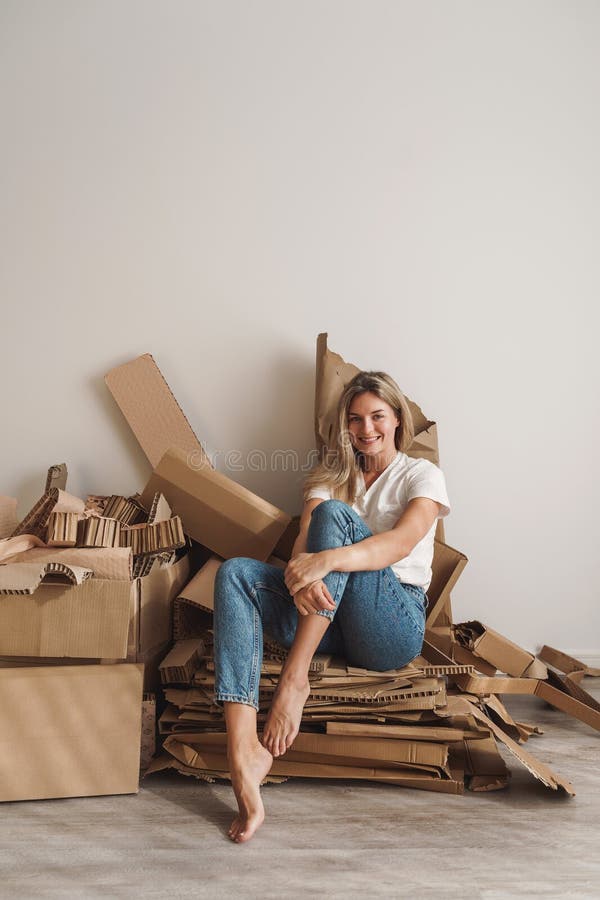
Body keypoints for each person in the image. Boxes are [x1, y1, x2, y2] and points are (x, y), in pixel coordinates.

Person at [213, 371, 450, 843]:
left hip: (390, 625)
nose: (367, 430)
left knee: (334, 516)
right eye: (356, 419)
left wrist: (323, 561)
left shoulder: (421, 474)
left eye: (378, 417)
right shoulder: (327, 476)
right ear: (344, 425)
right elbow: (301, 552)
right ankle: (244, 755)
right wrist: (306, 572)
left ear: (397, 419)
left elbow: (400, 545)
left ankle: (294, 681)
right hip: (325, 614)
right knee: (235, 572)